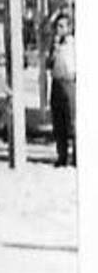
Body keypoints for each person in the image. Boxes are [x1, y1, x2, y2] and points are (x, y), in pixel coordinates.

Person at [49, 13, 76, 168]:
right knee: (58, 122)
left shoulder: (73, 44)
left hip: (69, 82)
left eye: (62, 26)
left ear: (69, 27)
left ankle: (77, 156)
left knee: (72, 121)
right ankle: (62, 155)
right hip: (57, 82)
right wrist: (53, 51)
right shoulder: (55, 45)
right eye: (57, 26)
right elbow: (49, 64)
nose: (59, 30)